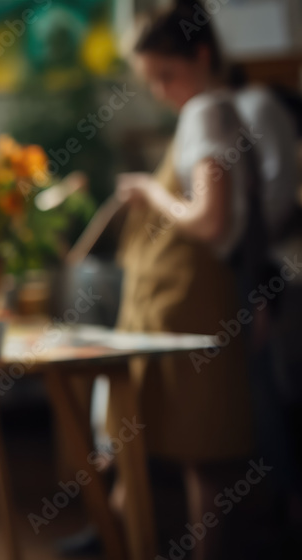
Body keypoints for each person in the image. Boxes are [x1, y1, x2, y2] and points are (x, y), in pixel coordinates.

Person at [108, 3, 288, 558]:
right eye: (152, 80)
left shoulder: (207, 112)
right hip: (202, 304)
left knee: (206, 457)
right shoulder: (221, 111)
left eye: (167, 75)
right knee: (204, 458)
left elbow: (210, 219)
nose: (162, 91)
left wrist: (150, 192)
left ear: (201, 56)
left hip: (199, 307)